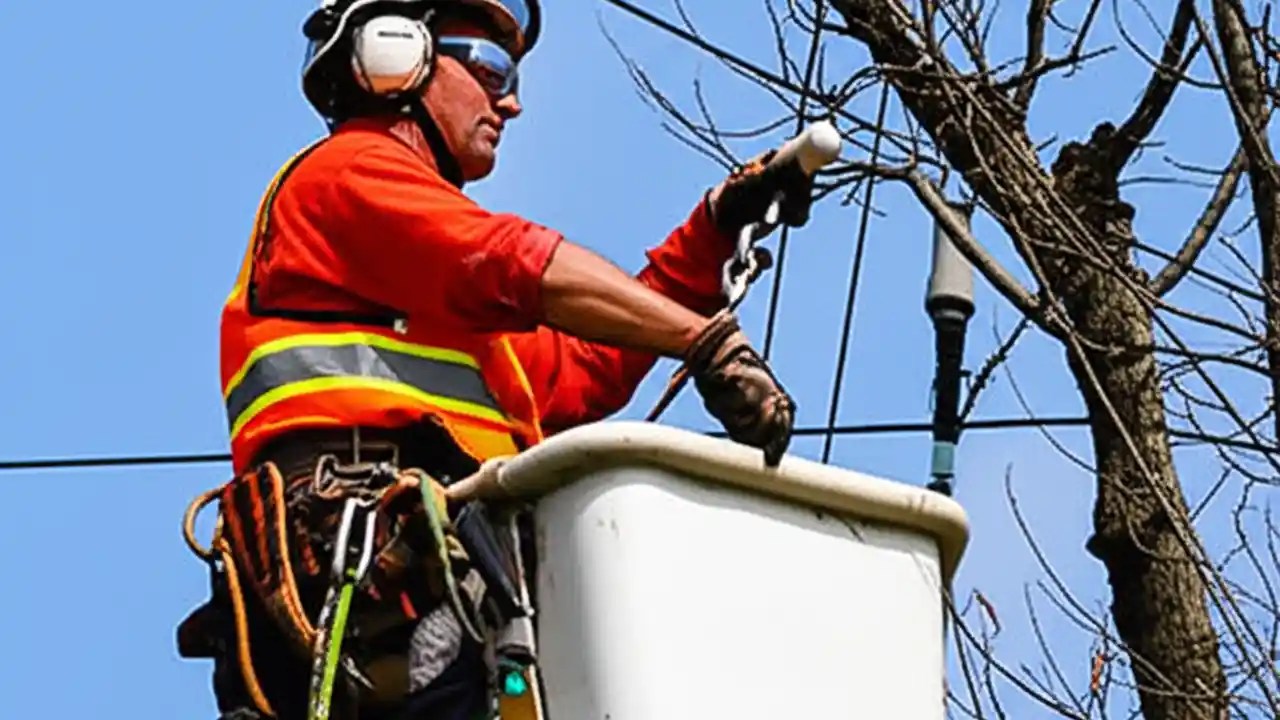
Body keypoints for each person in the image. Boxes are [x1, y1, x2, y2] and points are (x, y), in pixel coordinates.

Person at [176, 0, 815, 718]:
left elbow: (582, 369)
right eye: (491, 68)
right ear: (399, 58)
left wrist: (711, 234)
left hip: (436, 582)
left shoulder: (431, 300)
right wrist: (701, 342)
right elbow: (506, 263)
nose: (510, 101)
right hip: (371, 574)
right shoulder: (345, 175)